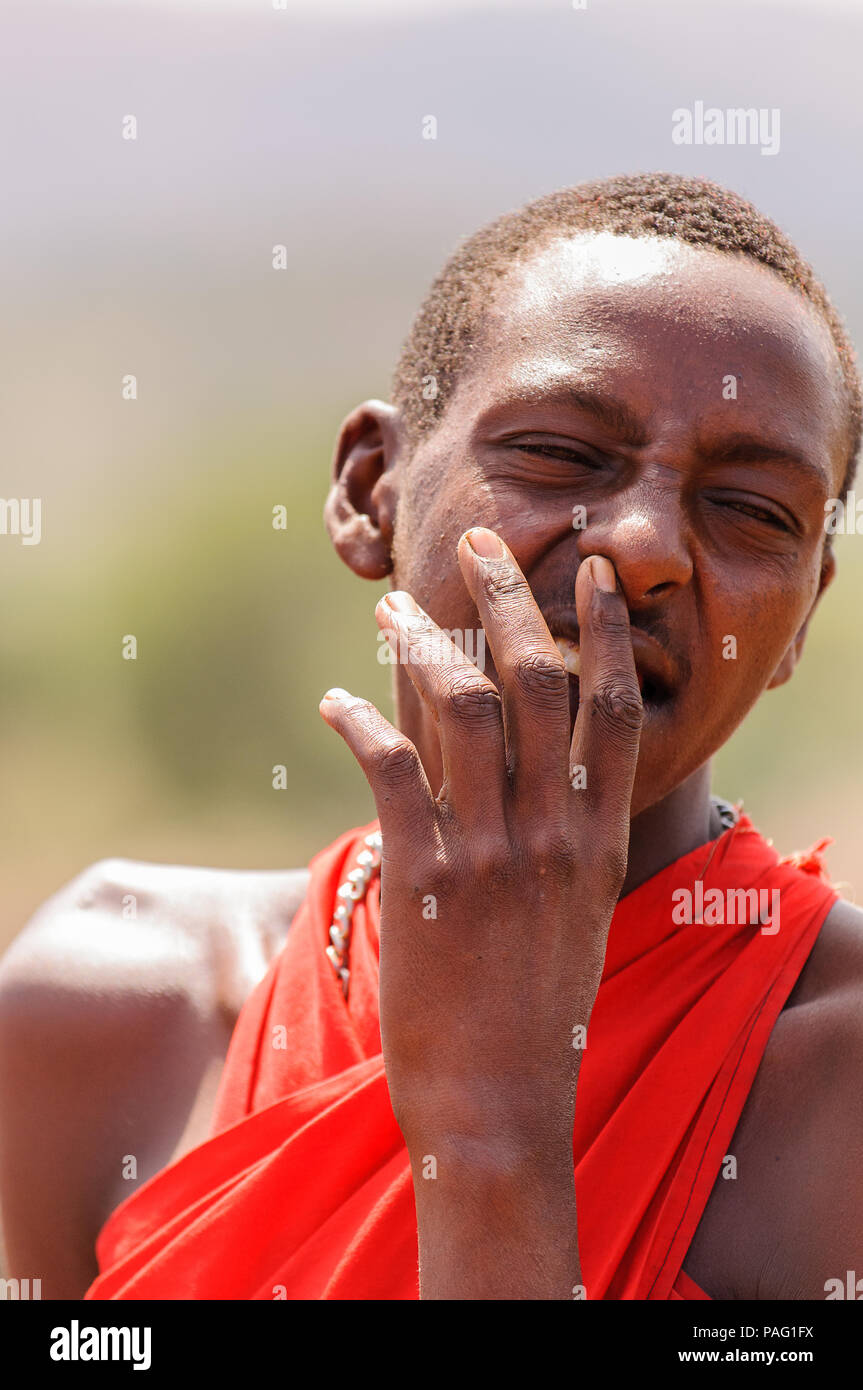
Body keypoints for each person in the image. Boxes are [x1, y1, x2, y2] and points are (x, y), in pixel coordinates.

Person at [1, 172, 862, 1301]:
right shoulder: (106, 1009)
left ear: (800, 614)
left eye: (752, 510)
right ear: (373, 489)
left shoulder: (834, 1079)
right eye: (559, 453)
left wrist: (489, 1133)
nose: (648, 544)